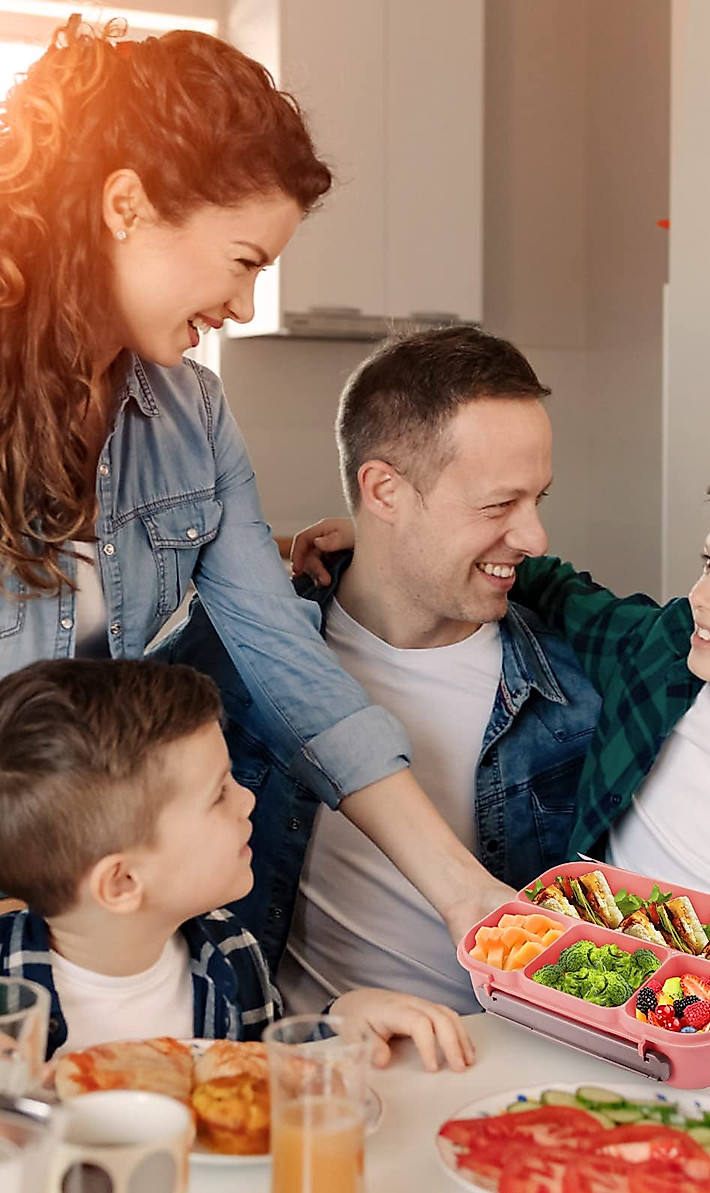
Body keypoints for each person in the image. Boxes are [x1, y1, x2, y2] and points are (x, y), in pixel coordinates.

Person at [0, 18, 509, 942]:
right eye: (244, 263)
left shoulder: (193, 413)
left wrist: (466, 896)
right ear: (126, 205)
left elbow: (291, 670)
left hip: (98, 901)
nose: (242, 306)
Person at [296, 453, 710, 968]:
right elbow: (559, 590)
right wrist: (401, 544)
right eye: (709, 563)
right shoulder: (662, 652)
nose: (703, 595)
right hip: (594, 985)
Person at [159, 328, 600, 1012]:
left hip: (509, 1069)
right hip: (308, 1066)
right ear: (384, 492)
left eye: (538, 500)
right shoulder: (230, 669)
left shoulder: (575, 694)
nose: (535, 538)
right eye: (498, 505)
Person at [0, 658, 475, 1071]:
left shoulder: (231, 952)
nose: (247, 799)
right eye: (218, 794)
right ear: (123, 882)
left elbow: (258, 1075)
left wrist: (340, 1024)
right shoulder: (10, 993)